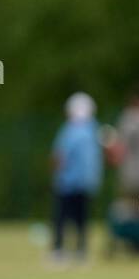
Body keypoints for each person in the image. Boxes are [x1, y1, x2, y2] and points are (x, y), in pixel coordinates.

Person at [51, 92, 102, 261]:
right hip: (86, 182)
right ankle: (81, 250)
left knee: (62, 218)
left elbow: (59, 156)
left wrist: (56, 175)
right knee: (82, 219)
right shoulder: (94, 129)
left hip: (67, 182)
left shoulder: (69, 130)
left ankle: (59, 250)